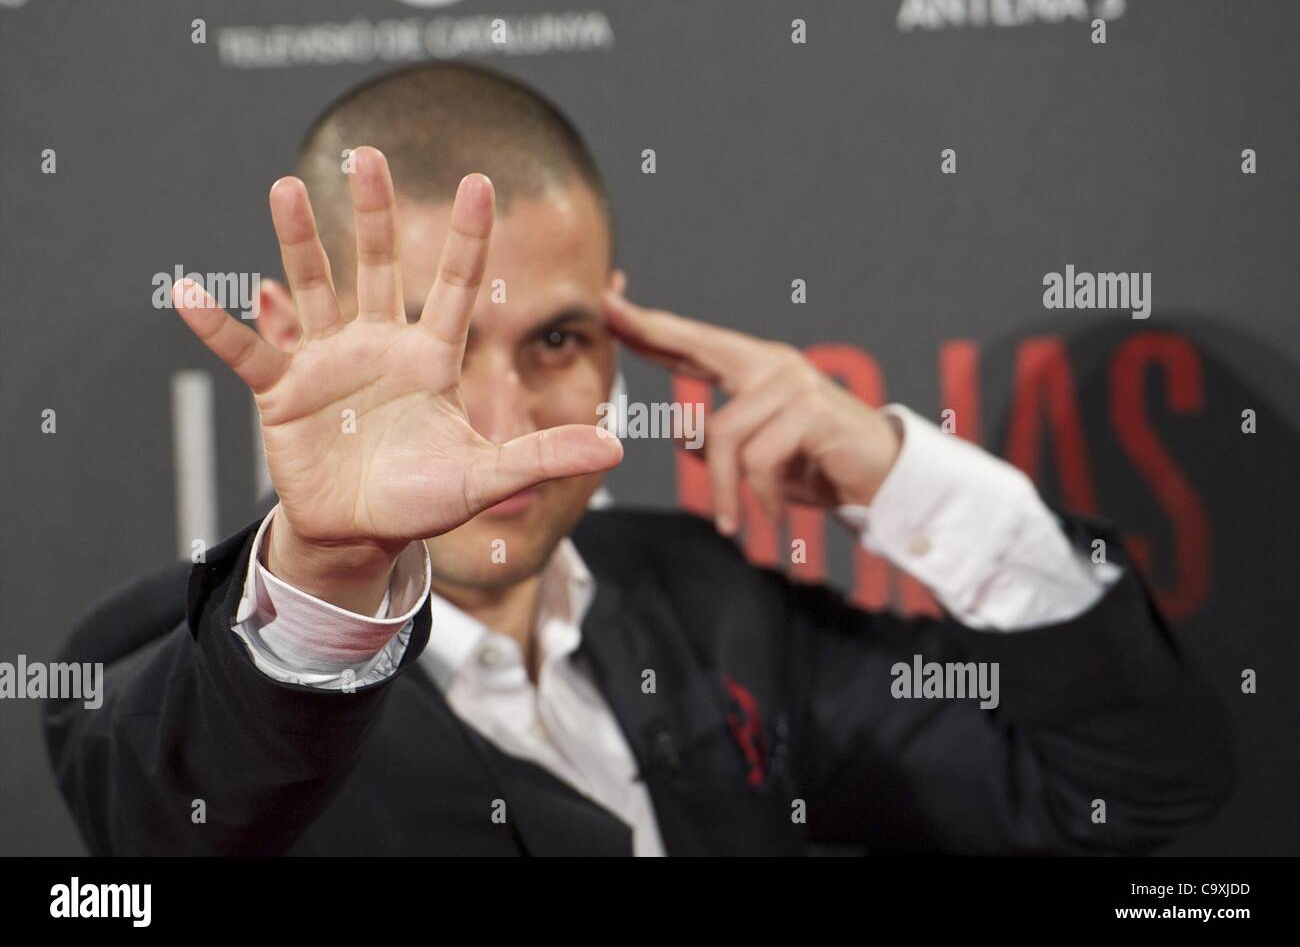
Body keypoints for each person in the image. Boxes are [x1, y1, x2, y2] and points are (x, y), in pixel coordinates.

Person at [44, 62, 1233, 856]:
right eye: (433, 348)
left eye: (557, 338)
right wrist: (337, 561)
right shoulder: (154, 671)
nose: (497, 425)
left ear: (617, 329)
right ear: (294, 334)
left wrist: (898, 475)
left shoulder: (711, 601)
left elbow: (1125, 793)